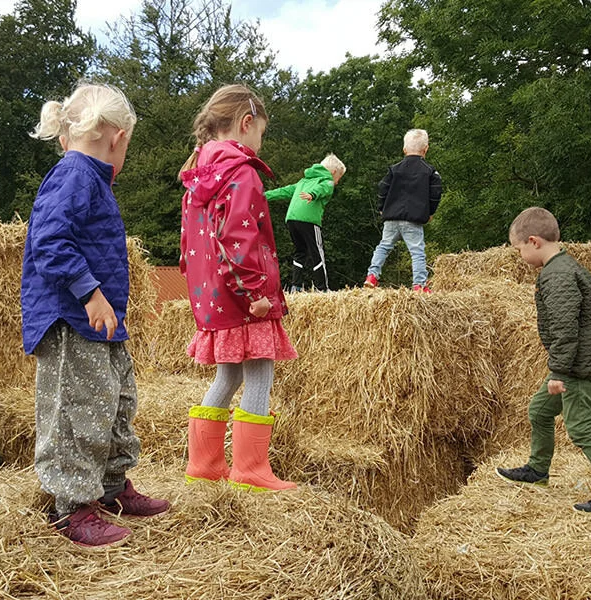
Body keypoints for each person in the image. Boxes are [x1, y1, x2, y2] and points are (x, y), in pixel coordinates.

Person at [22, 82, 169, 549]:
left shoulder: (87, 178)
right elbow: (49, 241)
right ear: (119, 136)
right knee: (77, 408)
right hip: (71, 317)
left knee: (114, 399)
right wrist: (90, 293)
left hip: (101, 320)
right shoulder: (74, 176)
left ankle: (110, 488)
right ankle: (72, 509)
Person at [179, 84, 298, 492]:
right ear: (247, 124)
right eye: (261, 133)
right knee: (260, 375)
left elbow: (191, 244)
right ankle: (251, 469)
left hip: (215, 298)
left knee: (228, 377)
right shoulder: (241, 172)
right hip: (247, 300)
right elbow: (237, 237)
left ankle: (204, 463)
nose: (260, 142)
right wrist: (255, 293)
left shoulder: (198, 173)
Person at [496, 207, 591, 513]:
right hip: (573, 362)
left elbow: (565, 325)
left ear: (533, 241)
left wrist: (558, 371)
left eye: (518, 250)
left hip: (577, 366)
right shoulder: (561, 268)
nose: (520, 256)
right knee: (540, 410)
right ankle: (537, 471)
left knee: (581, 428)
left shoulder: (558, 275)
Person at [363, 129, 442, 293]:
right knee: (417, 251)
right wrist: (430, 212)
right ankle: (419, 284)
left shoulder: (394, 169)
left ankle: (372, 276)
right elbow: (435, 194)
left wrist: (381, 208)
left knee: (383, 246)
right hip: (413, 219)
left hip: (391, 217)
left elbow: (382, 188)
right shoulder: (430, 171)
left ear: (404, 149)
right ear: (426, 149)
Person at [265, 154, 346, 292]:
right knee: (317, 252)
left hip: (291, 219)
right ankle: (322, 288)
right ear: (332, 172)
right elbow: (323, 189)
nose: (337, 182)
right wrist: (313, 195)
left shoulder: (303, 182)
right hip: (309, 220)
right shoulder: (328, 181)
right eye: (338, 177)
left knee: (300, 252)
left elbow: (284, 191)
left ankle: (295, 286)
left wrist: (264, 195)